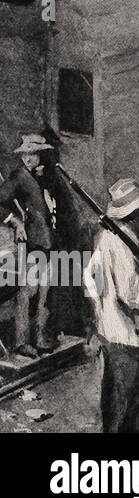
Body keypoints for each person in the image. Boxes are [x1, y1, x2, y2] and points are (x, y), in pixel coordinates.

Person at [82, 178, 139, 433]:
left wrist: (100, 310)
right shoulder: (121, 242)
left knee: (113, 392)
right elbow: (131, 293)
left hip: (109, 326)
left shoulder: (105, 237)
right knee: (127, 395)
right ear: (132, 213)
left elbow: (90, 279)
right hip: (124, 330)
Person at [1, 134, 56, 357]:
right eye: (27, 154)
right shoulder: (18, 177)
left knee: (45, 290)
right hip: (31, 242)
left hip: (47, 242)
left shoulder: (42, 177)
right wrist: (15, 221)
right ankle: (22, 342)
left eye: (34, 153)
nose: (29, 158)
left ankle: (42, 338)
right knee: (28, 291)